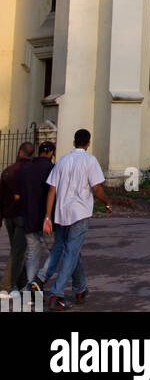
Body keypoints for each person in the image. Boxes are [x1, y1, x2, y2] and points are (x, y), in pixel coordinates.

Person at [39, 128, 112, 311]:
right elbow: (96, 189)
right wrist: (107, 203)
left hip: (62, 213)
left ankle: (80, 288)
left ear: (73, 142)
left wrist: (48, 216)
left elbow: (52, 190)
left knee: (73, 250)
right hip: (79, 213)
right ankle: (57, 294)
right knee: (71, 252)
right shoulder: (90, 161)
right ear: (88, 143)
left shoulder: (62, 161)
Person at [19, 141, 55, 292]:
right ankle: (40, 279)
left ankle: (30, 290)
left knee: (32, 256)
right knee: (56, 251)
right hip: (46, 220)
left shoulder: (26, 169)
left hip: (29, 218)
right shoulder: (52, 169)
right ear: (50, 153)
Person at [0, 141, 34, 291]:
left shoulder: (8, 171)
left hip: (9, 216)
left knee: (17, 249)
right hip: (22, 216)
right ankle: (5, 286)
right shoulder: (31, 171)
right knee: (18, 252)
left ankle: (22, 282)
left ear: (20, 152)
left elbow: (0, 197)